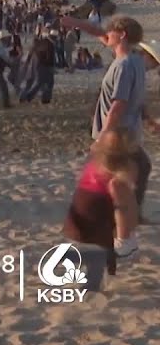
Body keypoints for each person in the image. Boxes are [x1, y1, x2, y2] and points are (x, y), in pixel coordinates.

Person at [62, 15, 151, 216]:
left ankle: (113, 216)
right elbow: (101, 33)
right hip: (128, 131)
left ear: (122, 35)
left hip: (118, 134)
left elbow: (119, 104)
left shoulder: (123, 65)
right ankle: (130, 213)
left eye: (111, 31)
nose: (106, 35)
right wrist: (76, 23)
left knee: (107, 175)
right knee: (139, 167)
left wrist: (103, 135)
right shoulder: (137, 60)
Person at [64, 126, 140, 292]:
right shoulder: (117, 182)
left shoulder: (96, 163)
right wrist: (123, 239)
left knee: (94, 251)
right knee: (100, 255)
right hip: (95, 221)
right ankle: (91, 283)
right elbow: (121, 211)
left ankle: (78, 260)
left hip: (78, 215)